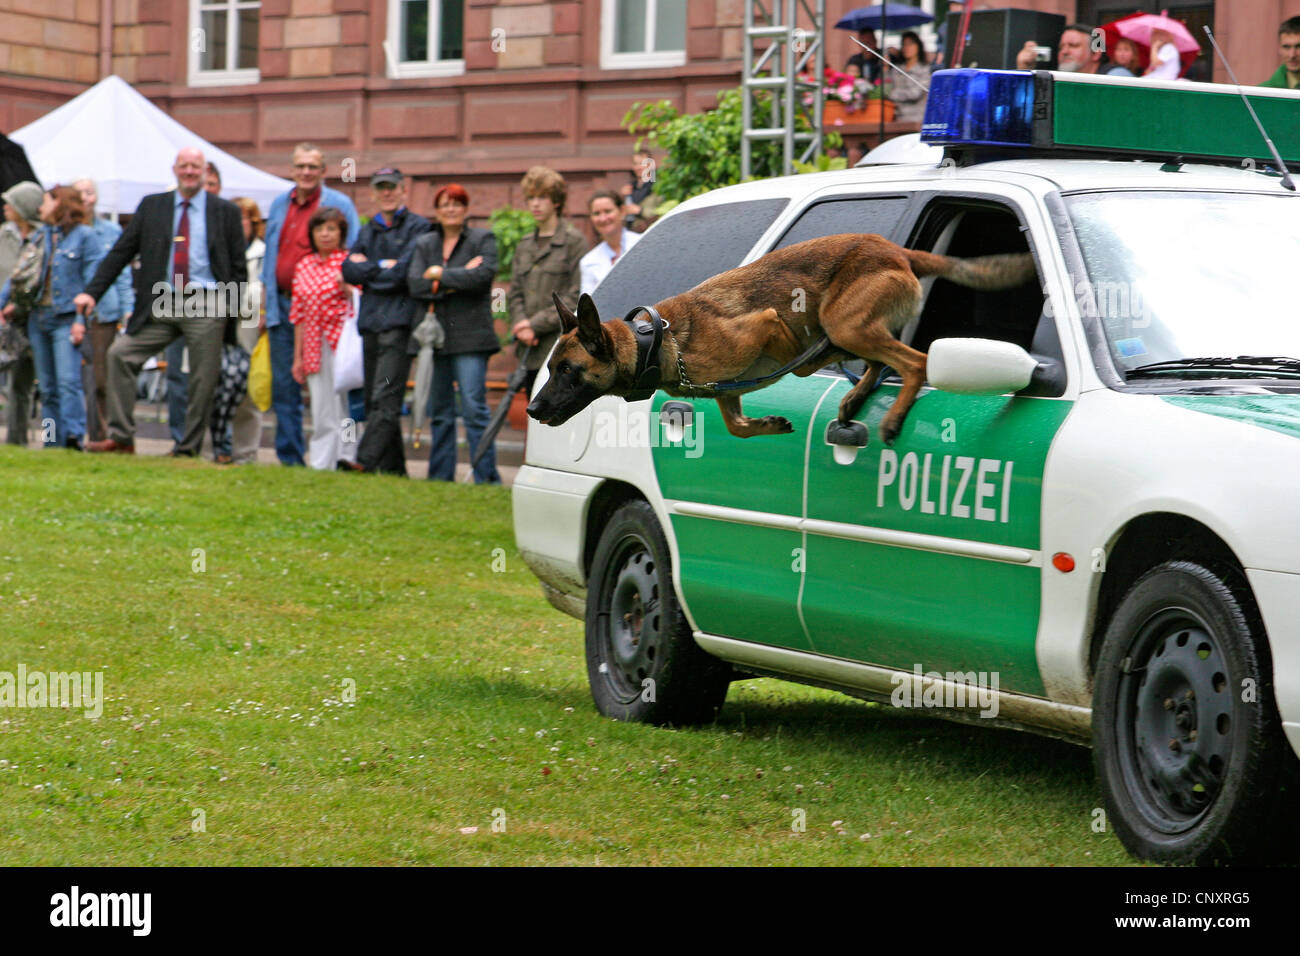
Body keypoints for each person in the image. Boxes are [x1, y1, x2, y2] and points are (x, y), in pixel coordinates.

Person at [79, 146, 247, 456]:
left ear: (206, 171)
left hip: (207, 303)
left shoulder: (225, 212)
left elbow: (239, 268)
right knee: (120, 355)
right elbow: (121, 253)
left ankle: (188, 447)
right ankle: (122, 438)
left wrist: (234, 316)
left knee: (202, 377)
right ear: (174, 169)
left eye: (195, 166)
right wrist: (92, 291)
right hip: (163, 301)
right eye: (184, 166)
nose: (189, 171)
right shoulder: (153, 206)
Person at [261, 143, 360, 466]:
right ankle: (290, 458)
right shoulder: (278, 204)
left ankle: (344, 456)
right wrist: (265, 305)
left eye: (312, 167)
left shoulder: (339, 203)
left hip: (333, 323)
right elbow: (270, 258)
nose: (305, 172)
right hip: (286, 308)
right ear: (292, 170)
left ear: (323, 171)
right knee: (285, 389)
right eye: (300, 166)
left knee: (337, 395)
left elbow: (355, 257)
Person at [407, 183, 500, 484]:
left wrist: (438, 274)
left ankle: (486, 479)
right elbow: (416, 285)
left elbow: (482, 277)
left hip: (471, 338)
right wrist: (459, 276)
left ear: (465, 209)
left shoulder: (482, 238)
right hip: (434, 340)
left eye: (457, 204)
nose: (450, 209)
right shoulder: (425, 243)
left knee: (474, 410)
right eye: (444, 204)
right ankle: (440, 477)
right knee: (441, 412)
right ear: (436, 211)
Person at [340, 167, 430, 476]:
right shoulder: (367, 230)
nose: (387, 193)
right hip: (370, 323)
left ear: (404, 190)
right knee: (373, 399)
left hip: (400, 323)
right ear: (374, 194)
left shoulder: (420, 227)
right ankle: (395, 472)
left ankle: (362, 461)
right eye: (381, 188)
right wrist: (383, 268)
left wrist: (370, 269)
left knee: (385, 398)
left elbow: (405, 273)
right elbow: (348, 271)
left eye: (392, 187)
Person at [0, 186, 104, 449]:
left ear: (60, 204)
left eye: (45, 203)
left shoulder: (85, 237)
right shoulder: (41, 236)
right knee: (46, 388)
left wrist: (82, 320)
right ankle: (51, 440)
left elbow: (92, 282)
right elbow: (18, 274)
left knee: (68, 383)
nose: (40, 209)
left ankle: (73, 438)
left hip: (67, 319)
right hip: (39, 318)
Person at [507, 166, 585, 396]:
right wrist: (522, 324)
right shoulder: (524, 244)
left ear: (556, 202)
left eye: (542, 197)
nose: (535, 204)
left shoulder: (574, 242)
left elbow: (576, 294)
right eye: (531, 198)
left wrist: (535, 325)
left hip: (561, 346)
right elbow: (515, 292)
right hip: (528, 348)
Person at [289, 206, 354, 471]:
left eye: (331, 229)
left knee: (345, 404)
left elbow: (360, 301)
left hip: (343, 343)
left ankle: (348, 456)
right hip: (314, 343)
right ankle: (321, 461)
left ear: (341, 233)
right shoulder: (304, 265)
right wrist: (298, 357)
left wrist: (348, 289)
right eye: (320, 229)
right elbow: (298, 314)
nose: (325, 234)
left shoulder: (350, 262)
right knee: (321, 405)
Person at [72, 178, 134, 445]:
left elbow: (121, 274)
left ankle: (102, 437)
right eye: (79, 193)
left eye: (89, 192)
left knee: (100, 381)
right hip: (66, 316)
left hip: (102, 314)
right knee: (62, 384)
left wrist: (127, 307)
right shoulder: (62, 232)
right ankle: (55, 440)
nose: (85, 198)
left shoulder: (110, 231)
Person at [211, 196, 266, 465]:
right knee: (210, 387)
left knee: (248, 391)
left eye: (242, 218)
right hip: (215, 325)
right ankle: (208, 448)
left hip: (248, 327)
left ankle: (245, 452)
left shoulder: (263, 253)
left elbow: (261, 293)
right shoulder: (213, 250)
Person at [0, 181, 42, 446]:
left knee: (39, 386)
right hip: (5, 320)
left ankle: (50, 442)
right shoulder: (3, 235)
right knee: (12, 386)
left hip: (35, 320)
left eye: (11, 203)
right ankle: (14, 441)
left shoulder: (43, 237)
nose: (5, 207)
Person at [580, 190, 641, 295]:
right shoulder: (588, 262)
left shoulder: (642, 244)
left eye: (608, 211)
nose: (603, 218)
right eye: (596, 213)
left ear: (622, 211)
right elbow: (586, 304)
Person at [884, 30, 933, 124]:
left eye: (910, 44)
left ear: (918, 46)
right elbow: (886, 89)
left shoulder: (925, 69)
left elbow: (914, 94)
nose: (907, 48)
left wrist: (892, 94)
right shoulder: (896, 69)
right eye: (904, 44)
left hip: (917, 120)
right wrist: (885, 69)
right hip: (897, 119)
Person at [1016, 23, 1102, 74]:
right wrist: (1023, 69)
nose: (1064, 52)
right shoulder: (1055, 82)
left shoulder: (1113, 77)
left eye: (1073, 45)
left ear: (1096, 53)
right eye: (1061, 47)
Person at [620, 150, 659, 231]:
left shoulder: (658, 186)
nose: (638, 167)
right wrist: (622, 198)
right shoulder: (630, 187)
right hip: (630, 231)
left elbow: (661, 211)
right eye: (635, 164)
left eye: (642, 163)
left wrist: (640, 211)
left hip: (650, 231)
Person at [1261, 16, 1300, 88]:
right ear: (1279, 49)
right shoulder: (1261, 93)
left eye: (1298, 46)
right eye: (1286, 47)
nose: (1292, 55)